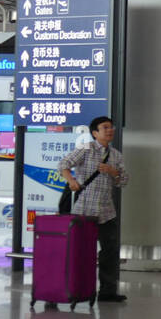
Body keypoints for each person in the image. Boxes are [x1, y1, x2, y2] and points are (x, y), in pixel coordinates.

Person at [57, 116, 130, 302]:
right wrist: (71, 181)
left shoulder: (116, 155)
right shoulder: (85, 148)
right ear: (95, 133)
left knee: (110, 253)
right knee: (78, 252)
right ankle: (72, 289)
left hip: (107, 212)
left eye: (111, 127)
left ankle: (107, 292)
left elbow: (124, 181)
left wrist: (113, 172)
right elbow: (63, 165)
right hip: (84, 212)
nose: (110, 130)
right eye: (105, 127)